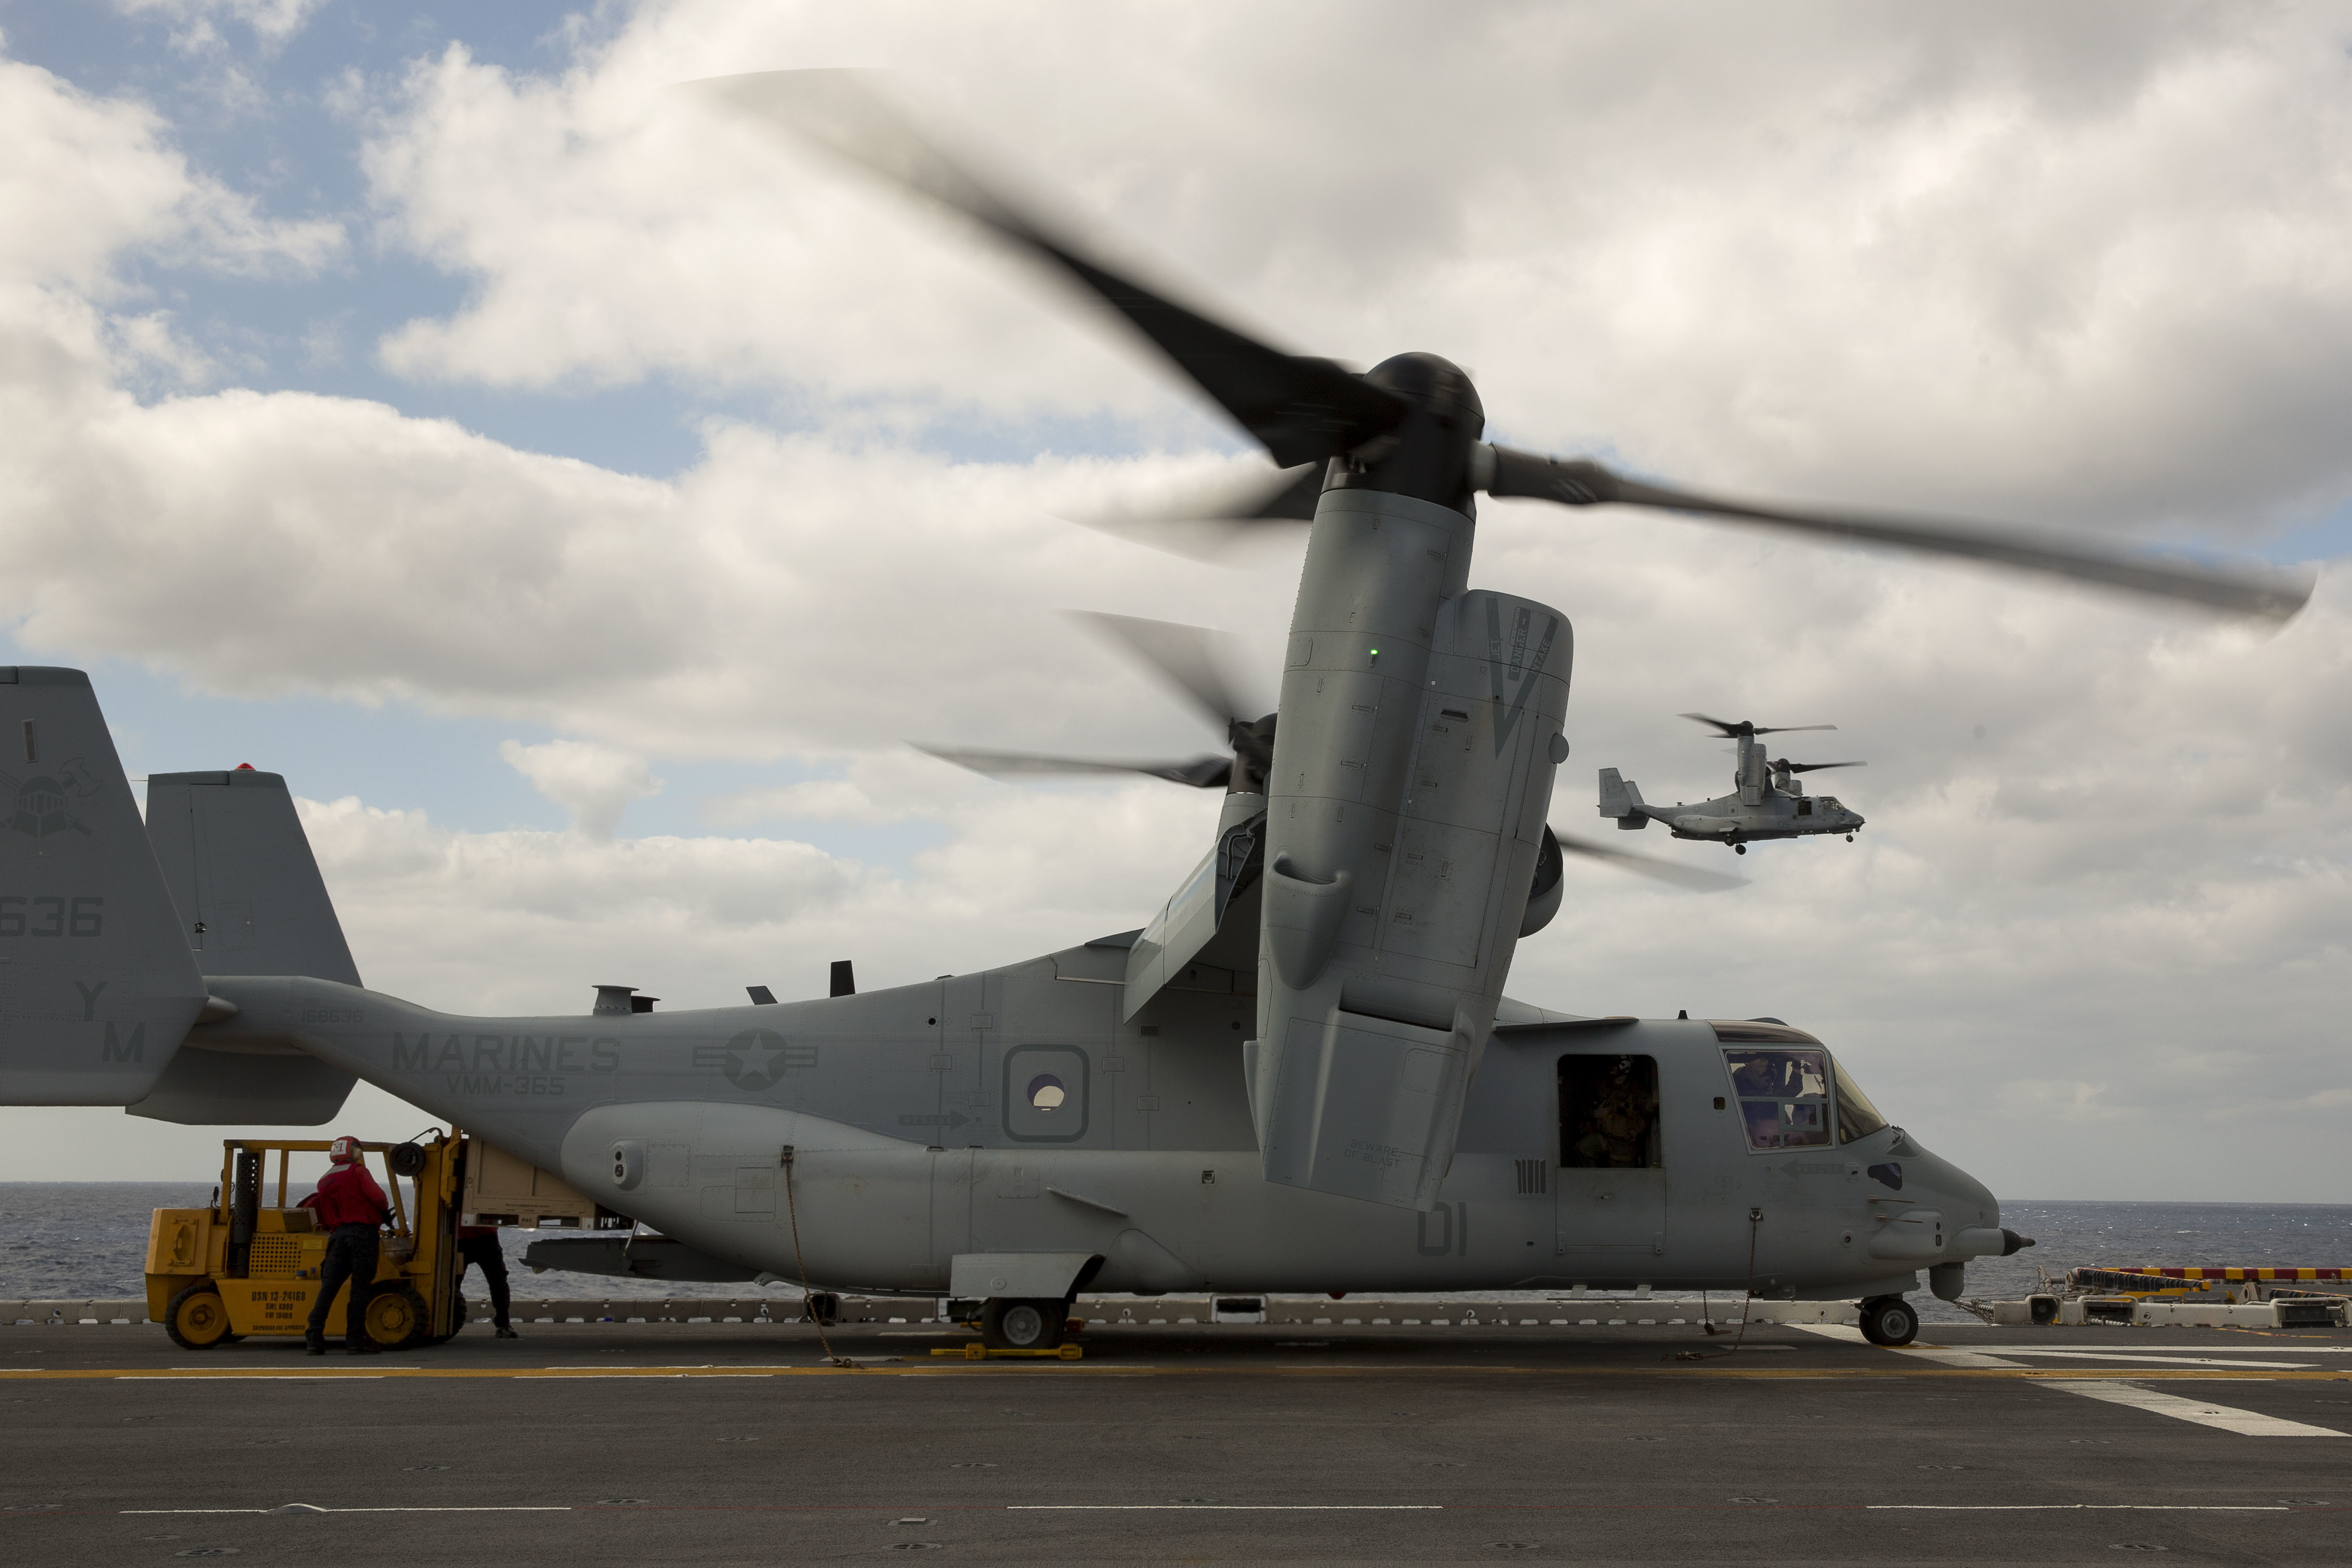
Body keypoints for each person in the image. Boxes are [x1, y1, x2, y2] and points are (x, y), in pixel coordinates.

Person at [303, 1136, 391, 1357]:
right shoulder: (358, 1172)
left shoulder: (324, 1180)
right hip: (362, 1234)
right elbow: (379, 1199)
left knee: (329, 1288)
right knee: (360, 1288)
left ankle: (314, 1337)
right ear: (355, 1152)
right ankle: (355, 1340)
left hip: (337, 1237)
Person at [457, 1222, 519, 1339]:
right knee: (451, 1284)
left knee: (498, 1280)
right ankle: (447, 1321)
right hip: (462, 1235)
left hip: (483, 1234)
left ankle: (504, 1324)